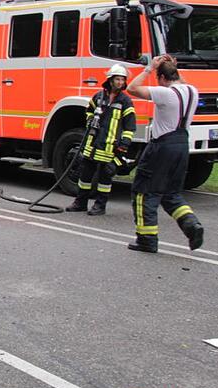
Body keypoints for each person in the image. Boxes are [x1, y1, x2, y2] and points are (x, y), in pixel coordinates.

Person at [125, 55, 204, 252]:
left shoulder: (164, 93)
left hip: (162, 146)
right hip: (181, 145)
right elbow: (182, 82)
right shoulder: (192, 91)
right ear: (176, 74)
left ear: (161, 78)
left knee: (144, 192)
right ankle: (191, 224)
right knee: (171, 193)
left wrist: (149, 69)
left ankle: (147, 240)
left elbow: (132, 88)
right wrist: (172, 68)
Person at [65, 64, 135, 216]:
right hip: (92, 143)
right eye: (117, 79)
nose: (120, 83)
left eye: (122, 80)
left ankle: (100, 205)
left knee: (105, 178)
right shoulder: (99, 96)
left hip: (109, 146)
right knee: (85, 175)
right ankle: (80, 202)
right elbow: (89, 110)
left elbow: (130, 126)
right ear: (110, 80)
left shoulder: (125, 101)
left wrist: (124, 145)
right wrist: (90, 120)